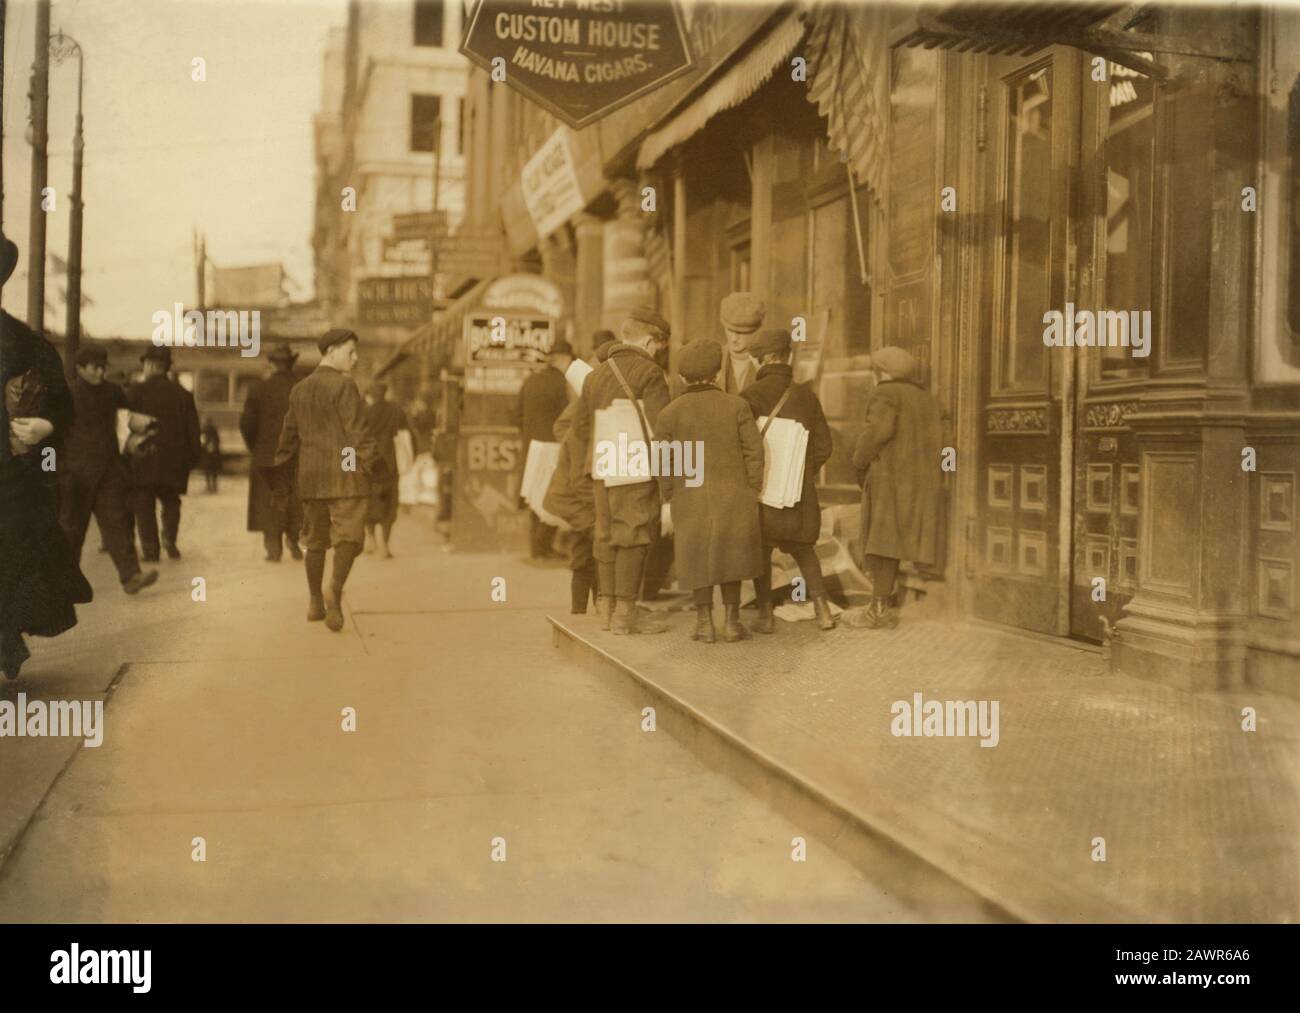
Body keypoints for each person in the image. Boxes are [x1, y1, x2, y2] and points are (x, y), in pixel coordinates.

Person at [0, 231, 93, 679]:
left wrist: (46, 426)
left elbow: (63, 403)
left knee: (12, 563)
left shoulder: (22, 341)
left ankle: (5, 643)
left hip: (11, 484)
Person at [656, 340, 765, 643]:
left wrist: (668, 498)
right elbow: (754, 452)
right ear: (717, 374)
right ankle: (732, 622)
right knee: (731, 555)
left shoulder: (669, 414)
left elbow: (664, 464)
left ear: (681, 378)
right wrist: (753, 487)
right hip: (734, 493)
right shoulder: (737, 406)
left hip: (689, 495)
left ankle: (704, 623)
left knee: (696, 555)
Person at [571, 307, 672, 635]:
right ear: (648, 340)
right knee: (634, 532)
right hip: (634, 461)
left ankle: (606, 606)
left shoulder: (594, 375)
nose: (658, 353)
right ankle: (627, 613)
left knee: (606, 532)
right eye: (659, 346)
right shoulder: (650, 373)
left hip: (601, 461)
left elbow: (580, 428)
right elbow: (662, 428)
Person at [273, 328, 380, 632]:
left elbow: (288, 439)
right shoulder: (344, 387)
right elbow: (356, 433)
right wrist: (370, 466)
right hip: (344, 470)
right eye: (351, 352)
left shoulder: (300, 389)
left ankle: (314, 602)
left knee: (314, 540)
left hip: (311, 475)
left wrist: (281, 476)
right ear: (332, 351)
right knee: (351, 537)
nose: (356, 359)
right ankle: (334, 588)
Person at [740, 328, 836, 632]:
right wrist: (801, 472)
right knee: (805, 551)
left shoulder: (749, 397)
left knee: (761, 553)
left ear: (766, 359)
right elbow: (824, 446)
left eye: (755, 360)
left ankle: (766, 616)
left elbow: (740, 445)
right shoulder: (807, 396)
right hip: (799, 492)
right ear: (786, 357)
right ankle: (823, 611)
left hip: (763, 491)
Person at [846, 346, 946, 630]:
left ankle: (878, 610)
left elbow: (876, 432)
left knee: (883, 543)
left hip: (890, 479)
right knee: (910, 538)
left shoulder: (885, 393)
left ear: (882, 372)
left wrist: (858, 461)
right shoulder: (927, 399)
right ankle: (932, 606)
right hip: (921, 481)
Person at [59, 345, 158, 596]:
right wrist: (53, 470)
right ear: (80, 368)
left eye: (104, 367)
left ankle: (131, 576)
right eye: (96, 367)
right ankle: (64, 584)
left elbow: (126, 422)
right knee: (72, 529)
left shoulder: (114, 392)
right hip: (75, 474)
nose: (101, 372)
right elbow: (54, 436)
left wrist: (143, 431)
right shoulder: (66, 394)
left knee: (118, 525)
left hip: (109, 471)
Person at [543, 337, 616, 614]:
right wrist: (576, 446)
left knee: (585, 554)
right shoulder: (587, 404)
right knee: (591, 551)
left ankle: (587, 610)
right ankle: (591, 609)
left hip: (578, 493)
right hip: (576, 497)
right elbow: (561, 427)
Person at [127, 346, 201, 561]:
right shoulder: (184, 395)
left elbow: (125, 426)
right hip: (174, 461)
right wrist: (192, 460)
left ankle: (150, 550)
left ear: (148, 365)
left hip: (143, 457)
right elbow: (193, 432)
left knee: (144, 503)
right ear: (167, 368)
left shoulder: (135, 392)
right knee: (171, 501)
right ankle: (169, 539)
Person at [240, 342, 303, 562]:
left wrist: (255, 447)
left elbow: (246, 424)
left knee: (268, 499)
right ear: (290, 363)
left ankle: (273, 548)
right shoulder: (301, 388)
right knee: (294, 498)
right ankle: (294, 541)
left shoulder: (257, 389)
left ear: (272, 364)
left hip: (265, 453)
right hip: (295, 453)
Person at [511, 339, 574, 560]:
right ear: (564, 359)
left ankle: (537, 548)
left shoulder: (530, 380)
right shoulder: (564, 384)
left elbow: (517, 415)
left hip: (532, 447)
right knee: (552, 494)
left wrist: (529, 434)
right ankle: (543, 547)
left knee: (533, 492)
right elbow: (568, 417)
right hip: (554, 448)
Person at [362, 380, 410, 559]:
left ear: (371, 395)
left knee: (369, 502)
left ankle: (370, 538)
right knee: (389, 506)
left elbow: (352, 438)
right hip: (390, 465)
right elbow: (407, 434)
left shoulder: (364, 412)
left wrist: (348, 466)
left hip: (369, 466)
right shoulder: (396, 411)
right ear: (385, 393)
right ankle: (384, 546)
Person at [719, 291, 765, 395]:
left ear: (756, 331)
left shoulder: (767, 364)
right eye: (729, 330)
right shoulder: (713, 361)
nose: (734, 338)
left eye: (741, 333)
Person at [201, 418, 222, 492]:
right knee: (213, 470)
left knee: (208, 470)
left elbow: (203, 441)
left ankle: (209, 486)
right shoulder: (214, 430)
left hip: (207, 454)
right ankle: (214, 486)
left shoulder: (204, 430)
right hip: (214, 454)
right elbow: (218, 440)